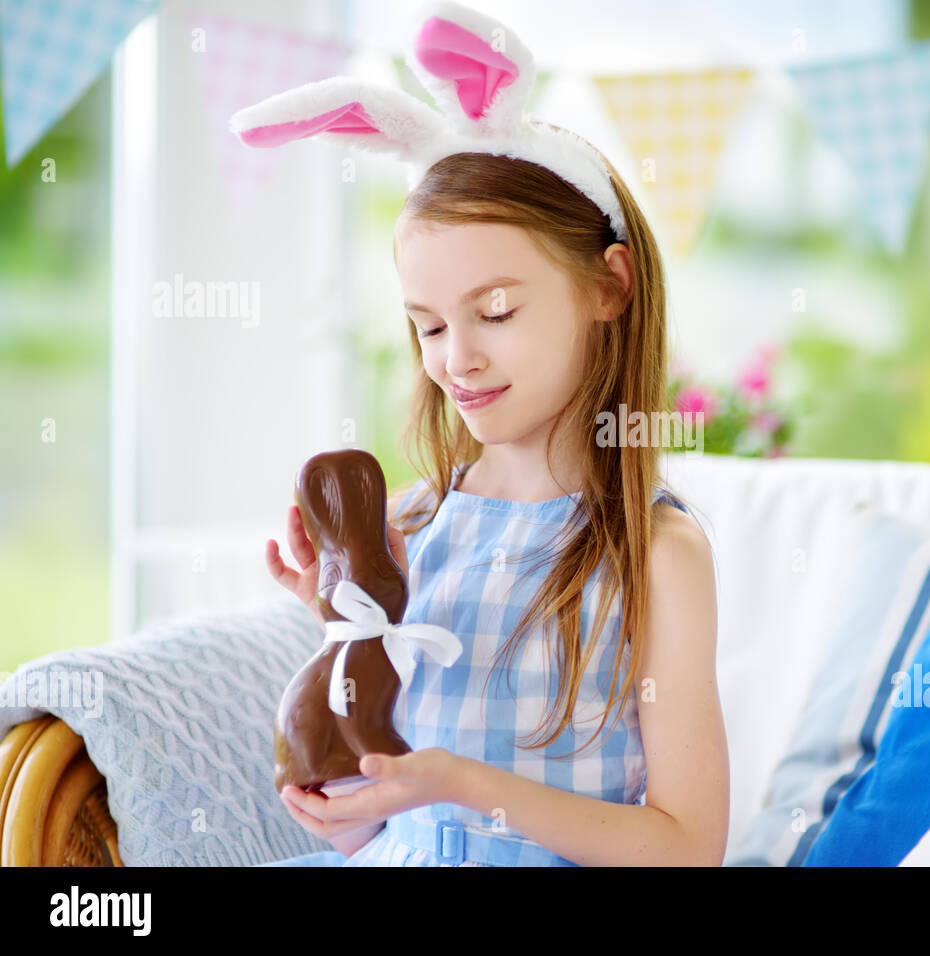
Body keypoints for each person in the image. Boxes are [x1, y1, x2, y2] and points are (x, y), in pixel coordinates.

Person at [250, 1, 727, 869]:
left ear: (609, 286)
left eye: (496, 311)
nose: (457, 359)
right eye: (428, 326)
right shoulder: (411, 526)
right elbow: (374, 823)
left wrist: (463, 784)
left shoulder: (654, 554)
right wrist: (347, 629)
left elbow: (687, 847)